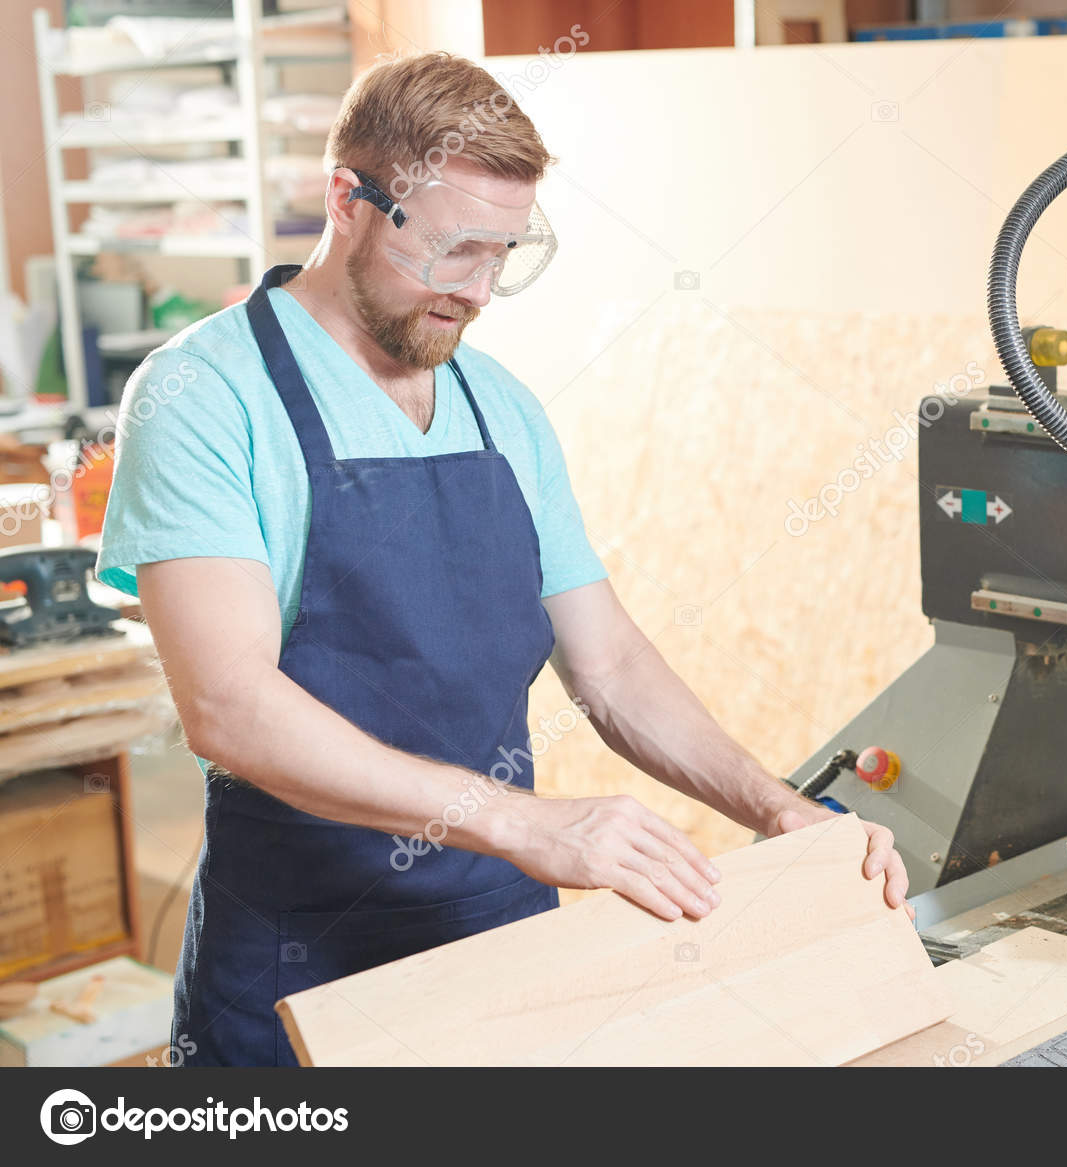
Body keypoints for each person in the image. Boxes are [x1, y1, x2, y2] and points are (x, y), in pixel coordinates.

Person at [96, 52, 909, 1067]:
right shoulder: (206, 396)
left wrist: (778, 808)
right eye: (453, 252)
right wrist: (528, 825)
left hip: (501, 942)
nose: (478, 292)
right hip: (299, 964)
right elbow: (230, 707)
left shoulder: (500, 408)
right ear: (347, 200)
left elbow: (609, 665)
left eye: (504, 255)